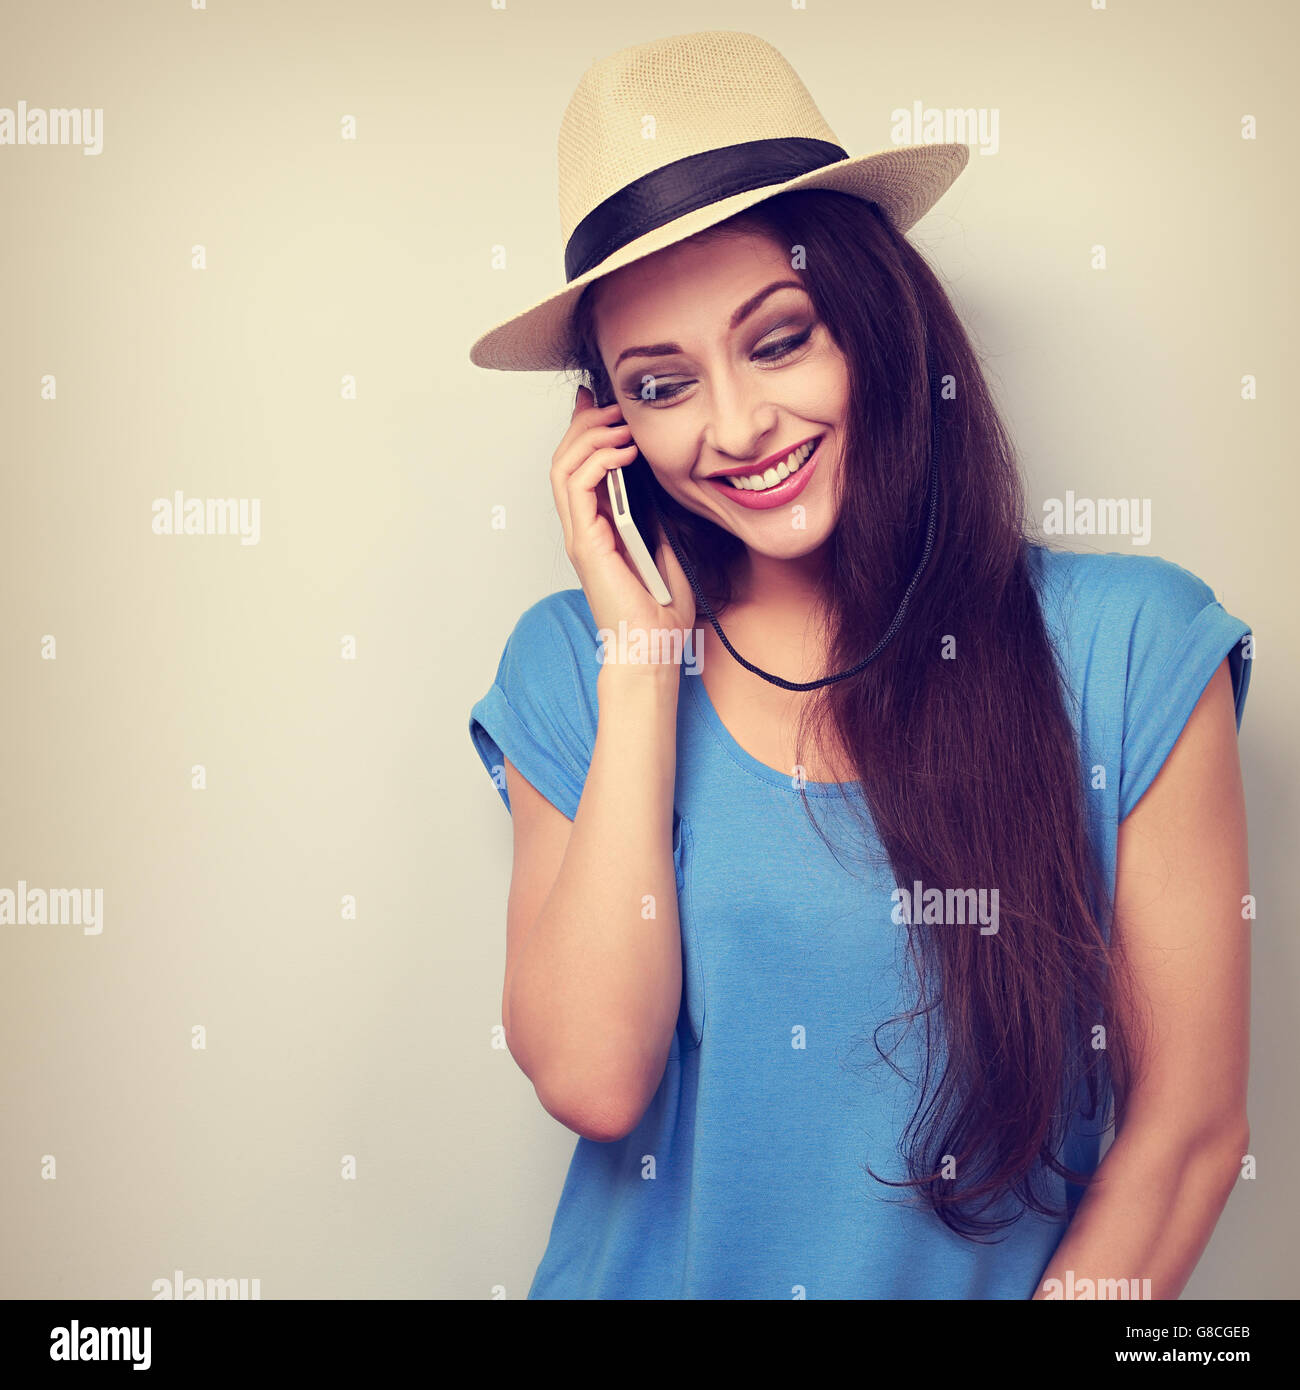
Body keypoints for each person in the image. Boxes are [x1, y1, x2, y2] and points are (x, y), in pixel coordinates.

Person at [467, 30, 1253, 1300]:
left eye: (778, 342)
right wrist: (638, 661)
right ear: (607, 427)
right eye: (662, 385)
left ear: (879, 325)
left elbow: (1188, 1138)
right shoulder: (574, 664)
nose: (735, 428)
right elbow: (595, 1080)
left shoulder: (1136, 651)